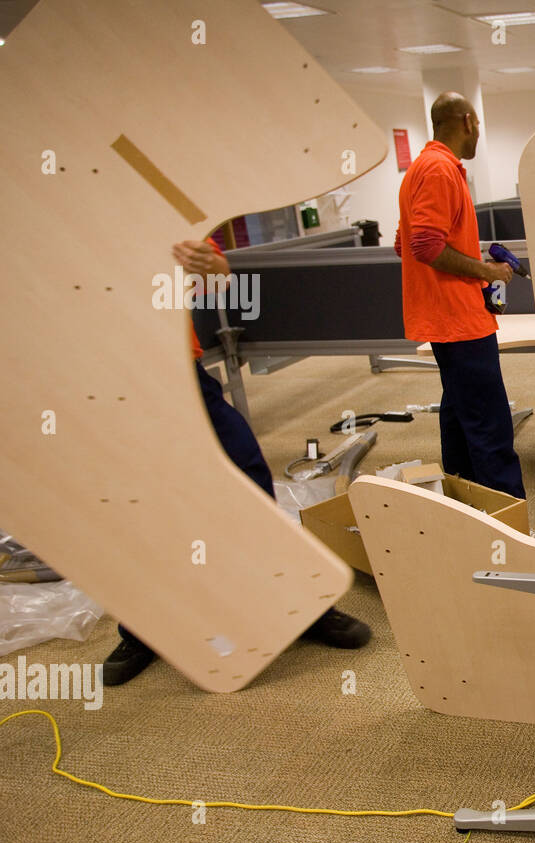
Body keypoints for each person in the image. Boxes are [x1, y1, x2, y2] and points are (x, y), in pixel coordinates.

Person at [104, 237, 371, 686]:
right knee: (140, 504)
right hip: (105, 380)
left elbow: (218, 276)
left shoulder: (144, 194)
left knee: (245, 472)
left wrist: (209, 265)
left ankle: (299, 605)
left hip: (177, 369)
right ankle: (142, 628)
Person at [393, 92, 525, 500]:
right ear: (467, 121)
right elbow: (425, 247)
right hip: (459, 320)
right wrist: (485, 270)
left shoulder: (422, 168)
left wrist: (466, 260)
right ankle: (508, 521)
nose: (479, 135)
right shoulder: (439, 171)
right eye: (479, 127)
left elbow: (405, 243)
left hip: (445, 319)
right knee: (489, 424)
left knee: (460, 417)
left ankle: (465, 507)